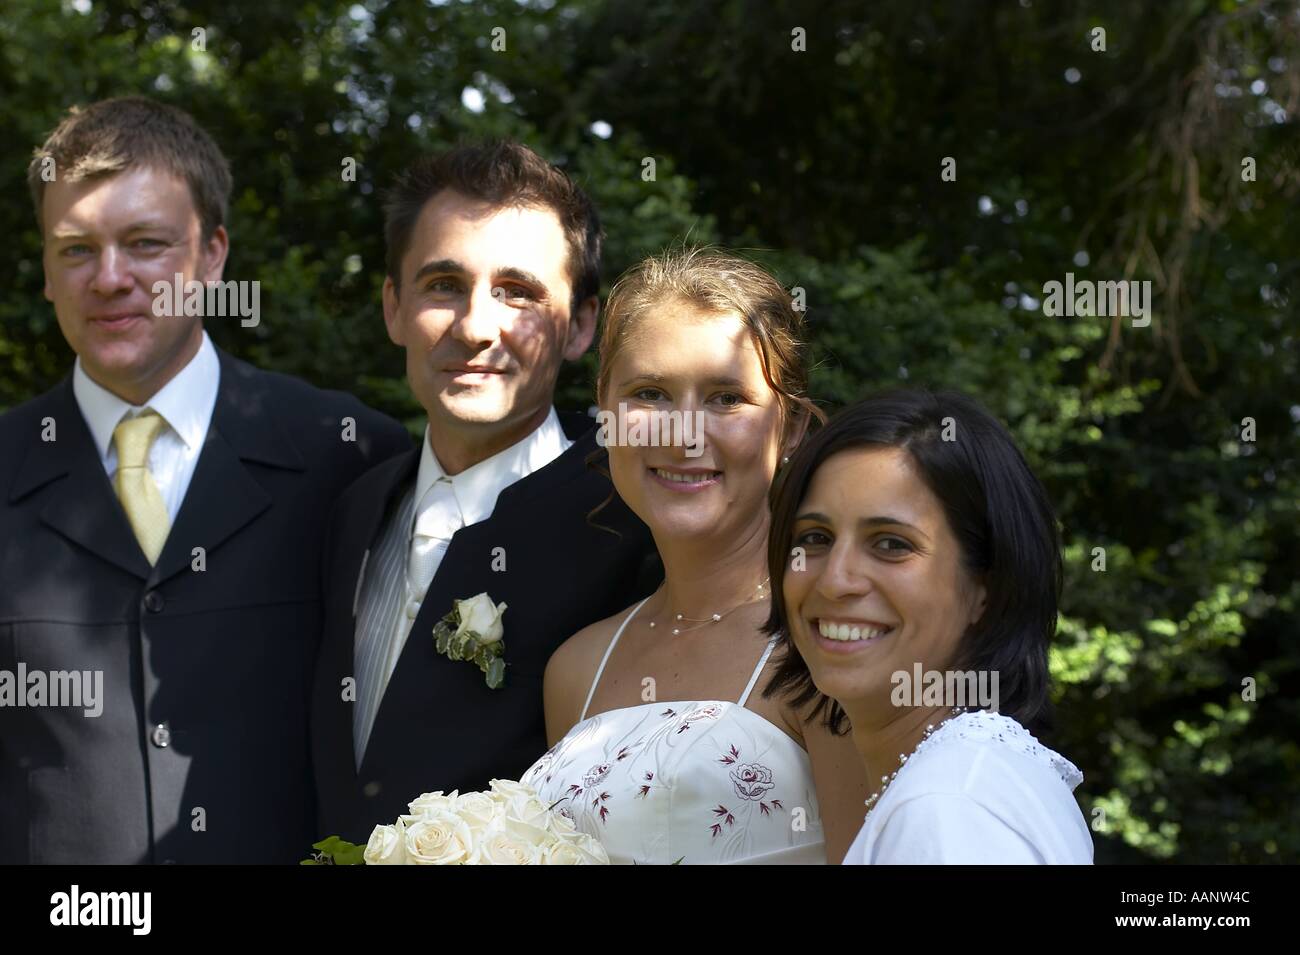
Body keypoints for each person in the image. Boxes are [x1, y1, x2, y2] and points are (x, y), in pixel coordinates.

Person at [0, 96, 411, 863]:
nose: (111, 278)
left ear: (213, 256)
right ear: (47, 271)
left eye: (146, 243)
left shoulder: (347, 454)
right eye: (76, 249)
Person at [311, 141, 660, 843]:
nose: (475, 327)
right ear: (393, 307)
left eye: (518, 291)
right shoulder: (352, 506)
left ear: (582, 325)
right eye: (443, 284)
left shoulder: (636, 522)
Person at [523, 248, 870, 864]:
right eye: (650, 393)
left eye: (725, 398)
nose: (683, 435)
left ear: (790, 428)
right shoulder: (575, 668)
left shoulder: (829, 647)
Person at [763, 389, 1094, 863]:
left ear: (987, 587)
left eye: (891, 544)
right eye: (814, 538)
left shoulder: (949, 808)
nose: (835, 580)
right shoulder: (963, 782)